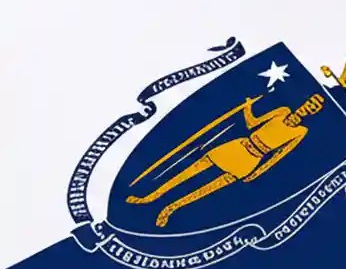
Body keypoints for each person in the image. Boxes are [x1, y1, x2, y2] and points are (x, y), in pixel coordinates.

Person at [126, 93, 325, 228]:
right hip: (239, 145)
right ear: (305, 101)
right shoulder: (282, 111)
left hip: (252, 159)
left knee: (206, 189)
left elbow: (279, 155)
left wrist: (259, 172)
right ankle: (151, 197)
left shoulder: (301, 131)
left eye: (314, 107)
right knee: (190, 170)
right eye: (310, 102)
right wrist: (248, 107)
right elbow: (252, 124)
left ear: (314, 112)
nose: (309, 106)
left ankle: (169, 209)